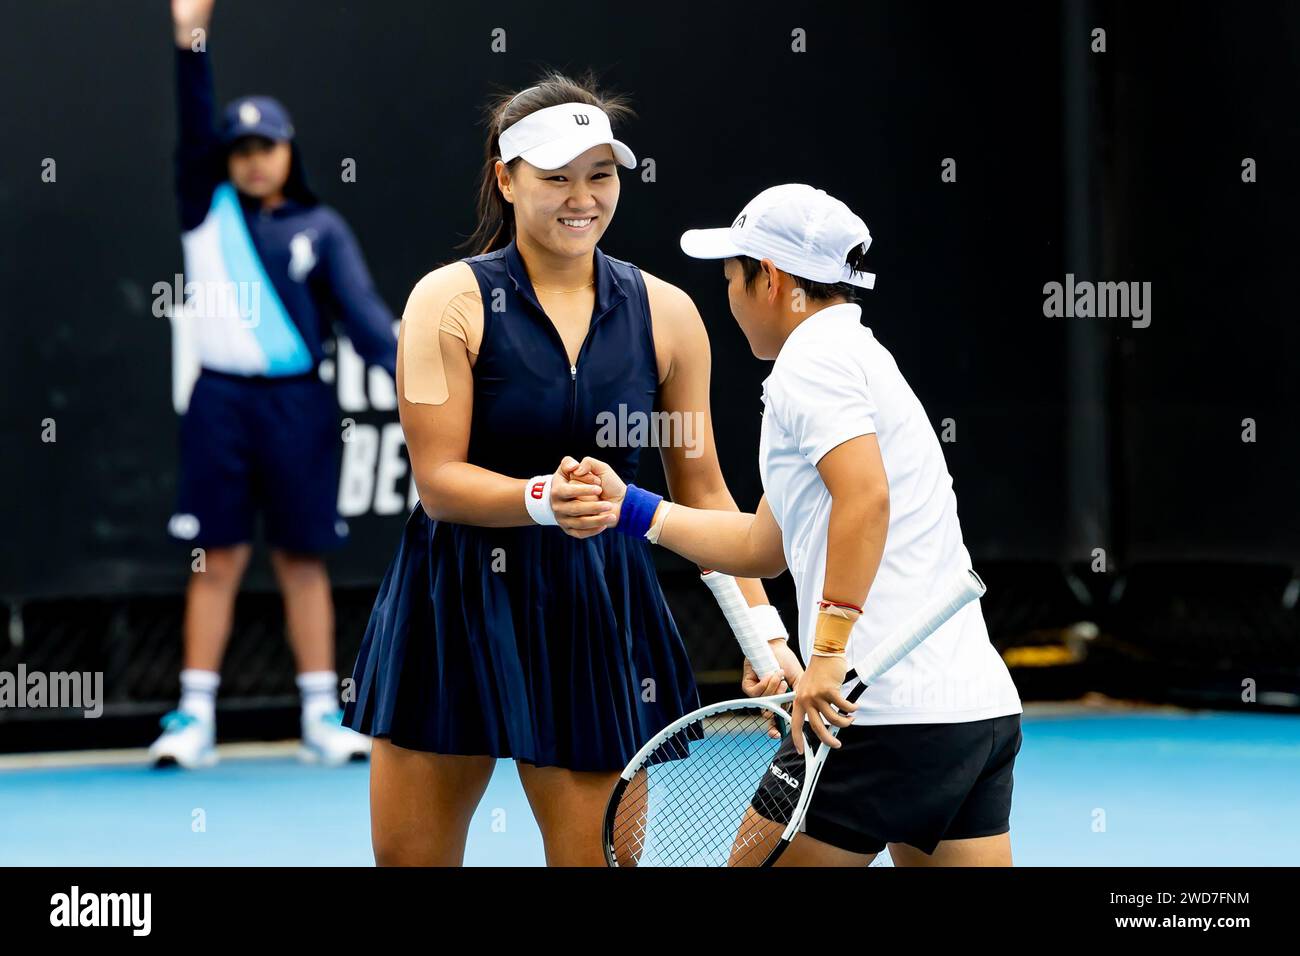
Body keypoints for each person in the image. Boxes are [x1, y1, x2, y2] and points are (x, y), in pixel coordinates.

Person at [342, 74, 798, 866]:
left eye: (600, 174)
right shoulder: (445, 302)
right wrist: (542, 500)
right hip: (453, 600)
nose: (581, 196)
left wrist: (764, 639)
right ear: (506, 179)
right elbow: (440, 483)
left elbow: (703, 494)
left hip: (596, 606)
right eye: (555, 177)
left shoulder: (668, 314)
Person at [570, 184, 1025, 866]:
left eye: (731, 277)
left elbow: (865, 498)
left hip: (875, 715)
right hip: (974, 714)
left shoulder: (810, 364)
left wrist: (829, 656)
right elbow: (762, 547)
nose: (727, 296)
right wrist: (630, 506)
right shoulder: (860, 356)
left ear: (772, 279)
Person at [150, 0, 396, 768]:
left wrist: (429, 388)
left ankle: (322, 716)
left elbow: (368, 325)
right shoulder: (204, 206)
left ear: (290, 153)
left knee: (301, 558)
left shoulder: (321, 230)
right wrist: (192, 38)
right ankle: (194, 719)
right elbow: (195, 124)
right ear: (225, 159)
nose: (254, 158)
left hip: (297, 406)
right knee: (215, 558)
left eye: (269, 146)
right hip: (220, 403)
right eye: (241, 148)